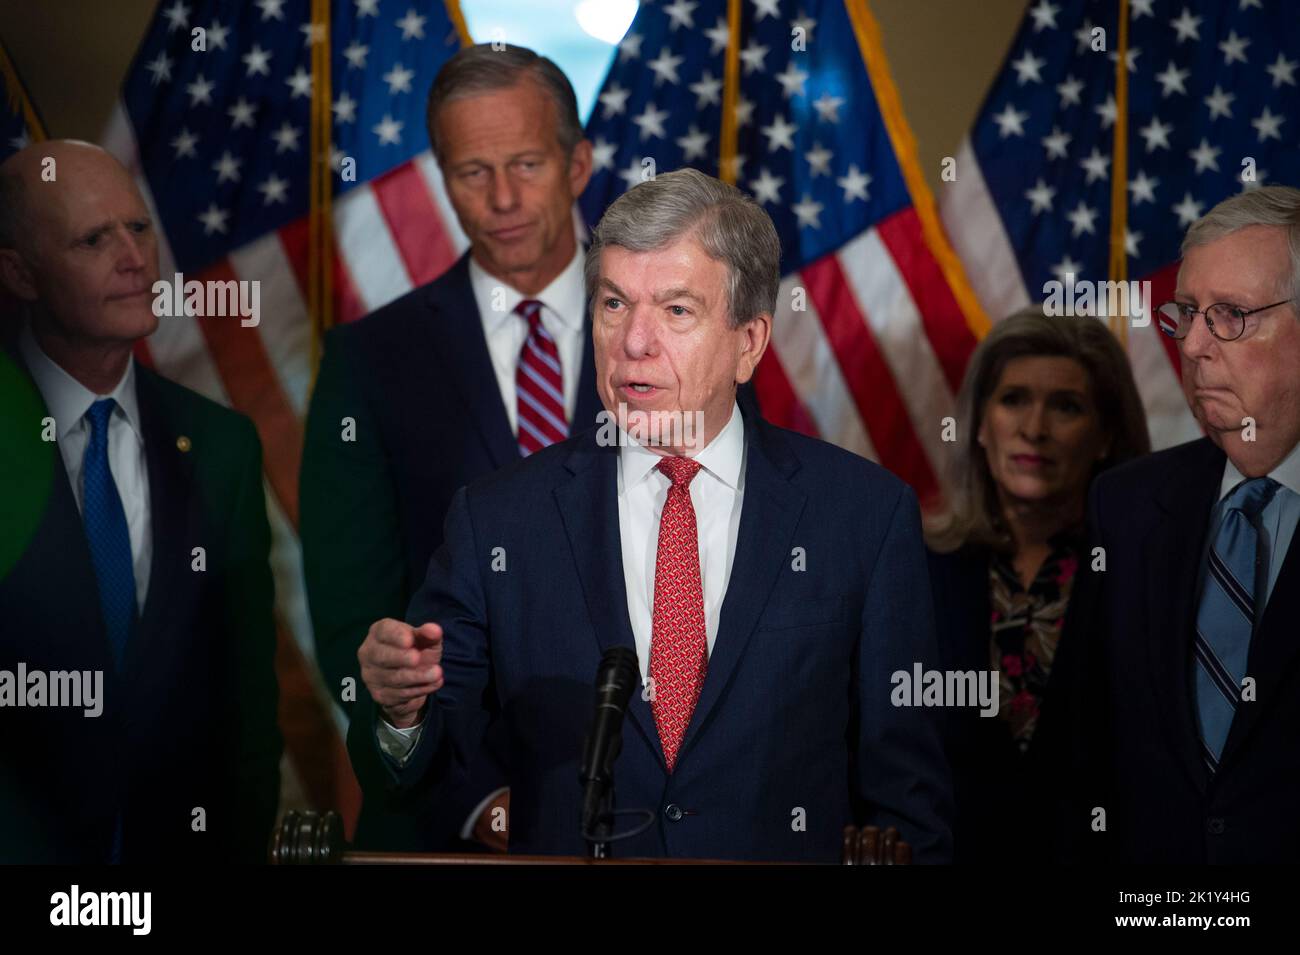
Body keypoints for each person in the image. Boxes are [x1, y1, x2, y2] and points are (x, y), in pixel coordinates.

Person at [347, 168, 952, 862]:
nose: (634, 341)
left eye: (676, 310)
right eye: (613, 304)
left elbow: (910, 804)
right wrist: (401, 711)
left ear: (749, 342)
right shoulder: (499, 521)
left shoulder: (863, 517)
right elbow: (416, 770)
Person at [299, 44, 604, 852]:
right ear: (441, 177)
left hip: (649, 813)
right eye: (472, 172)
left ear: (579, 163)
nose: (502, 198)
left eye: (527, 163)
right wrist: (476, 803)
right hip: (445, 821)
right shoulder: (369, 362)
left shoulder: (675, 335)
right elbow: (355, 621)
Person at [0, 140, 280, 863]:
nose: (133, 258)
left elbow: (246, 705)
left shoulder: (221, 445)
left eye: (139, 228)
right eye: (95, 238)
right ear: (18, 272)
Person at [1060, 185, 1300, 863]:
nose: (1192, 345)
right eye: (1187, 313)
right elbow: (1077, 763)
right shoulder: (1127, 505)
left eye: (1230, 315)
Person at [924, 308, 1149, 863]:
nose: (1035, 428)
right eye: (1014, 399)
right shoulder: (914, 566)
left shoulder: (1143, 572)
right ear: (979, 422)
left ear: (1105, 436)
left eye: (1067, 406)